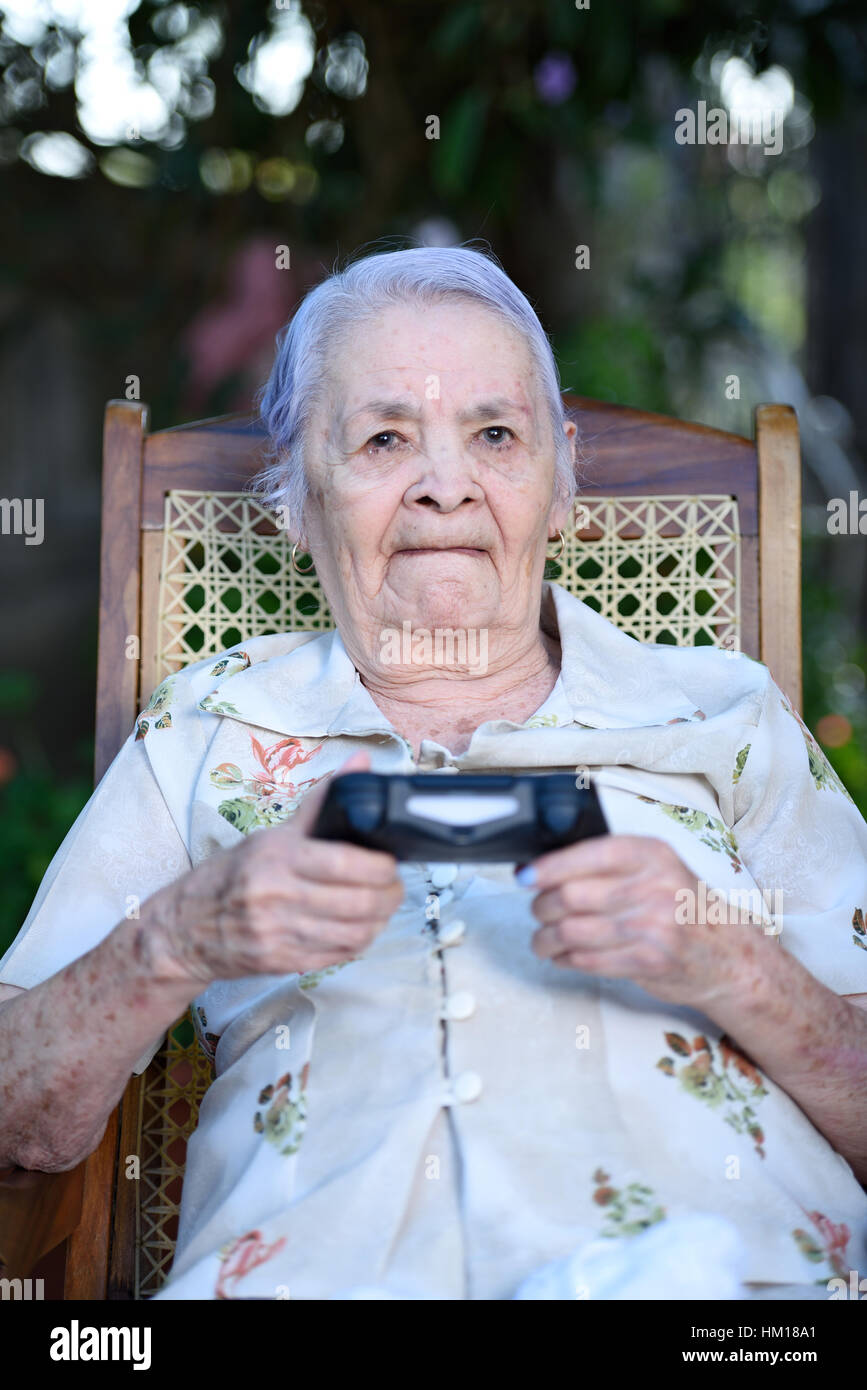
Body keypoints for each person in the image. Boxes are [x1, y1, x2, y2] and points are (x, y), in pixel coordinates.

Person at [1, 246, 865, 1302]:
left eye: (495, 436)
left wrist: (737, 963)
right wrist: (179, 935)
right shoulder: (209, 724)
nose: (445, 487)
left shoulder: (723, 715)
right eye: (383, 439)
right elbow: (20, 1115)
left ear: (561, 482)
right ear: (293, 496)